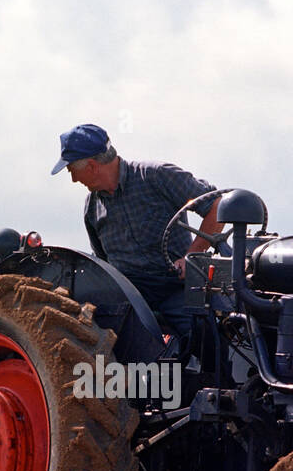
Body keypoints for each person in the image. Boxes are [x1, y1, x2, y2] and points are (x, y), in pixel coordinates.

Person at [51, 123, 223, 338]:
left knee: (205, 337)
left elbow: (215, 207)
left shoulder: (157, 176)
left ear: (92, 166)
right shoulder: (91, 207)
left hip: (173, 286)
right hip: (128, 295)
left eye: (72, 171)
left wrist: (191, 257)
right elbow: (103, 264)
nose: (74, 179)